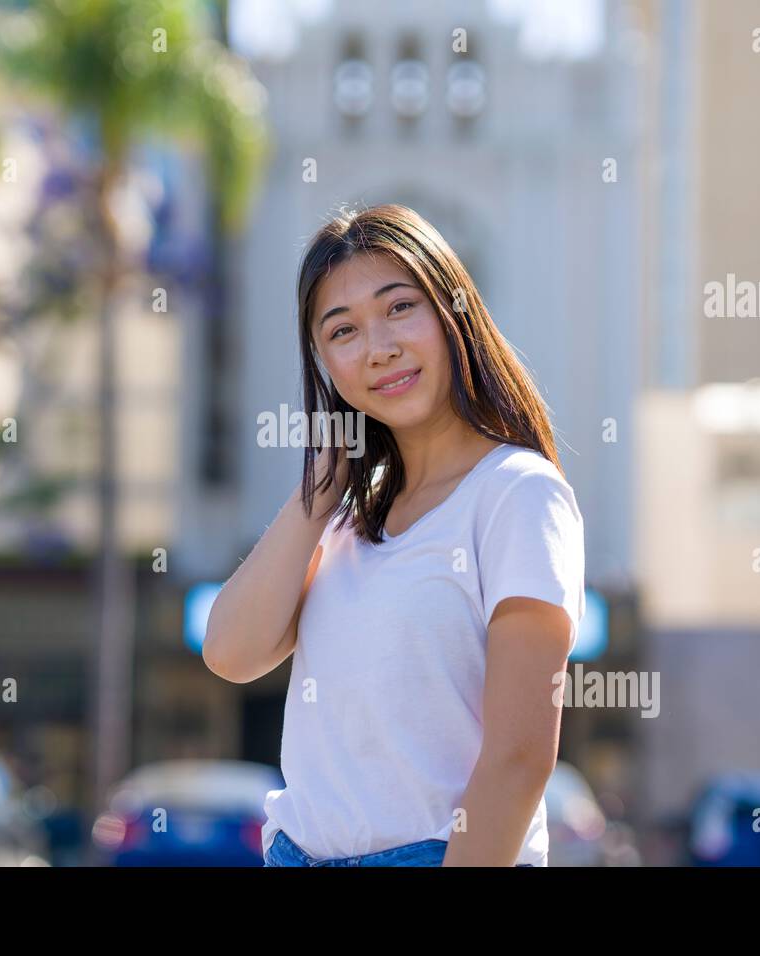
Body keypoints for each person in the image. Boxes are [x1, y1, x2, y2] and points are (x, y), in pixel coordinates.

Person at [203, 203, 585, 867]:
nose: (379, 348)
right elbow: (231, 653)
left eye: (400, 308)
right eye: (342, 331)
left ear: (452, 312)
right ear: (324, 364)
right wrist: (318, 492)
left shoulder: (518, 495)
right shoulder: (346, 517)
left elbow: (519, 760)